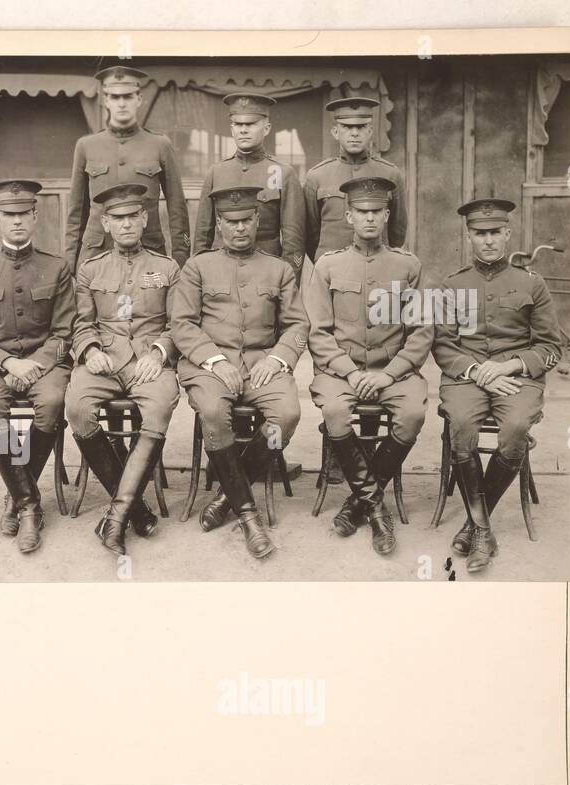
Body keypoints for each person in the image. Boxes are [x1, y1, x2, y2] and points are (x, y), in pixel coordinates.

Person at [170, 185, 309, 559]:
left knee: (288, 416)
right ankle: (249, 517)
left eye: (247, 220)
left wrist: (277, 359)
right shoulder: (197, 267)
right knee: (214, 413)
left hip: (264, 364)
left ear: (258, 220)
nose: (239, 228)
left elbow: (298, 325)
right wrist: (215, 361)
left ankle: (226, 495)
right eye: (231, 222)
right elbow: (181, 324)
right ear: (218, 224)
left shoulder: (278, 268)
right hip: (210, 365)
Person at [432, 198, 564, 572]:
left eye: (495, 233)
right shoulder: (452, 284)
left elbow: (552, 347)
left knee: (516, 428)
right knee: (460, 425)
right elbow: (443, 344)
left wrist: (508, 367)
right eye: (480, 233)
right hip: (466, 378)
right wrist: (476, 371)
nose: (488, 240)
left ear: (507, 234)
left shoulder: (531, 284)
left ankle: (474, 523)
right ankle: (484, 533)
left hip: (517, 378)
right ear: (469, 236)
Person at [305, 176, 429, 556]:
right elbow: (318, 332)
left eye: (377, 211)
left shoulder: (408, 265)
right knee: (336, 412)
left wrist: (389, 374)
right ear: (349, 216)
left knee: (411, 415)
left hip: (394, 370)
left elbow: (423, 331)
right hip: (341, 372)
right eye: (362, 212)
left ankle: (356, 502)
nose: (370, 219)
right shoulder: (328, 266)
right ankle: (376, 509)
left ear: (388, 214)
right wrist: (351, 372)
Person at [0, 179, 73, 553]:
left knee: (52, 403)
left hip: (43, 364)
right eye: (9, 214)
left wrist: (34, 365)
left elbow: (64, 331)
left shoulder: (56, 268)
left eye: (24, 213)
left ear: (35, 216)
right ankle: (28, 505)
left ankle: (17, 497)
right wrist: (6, 362)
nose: (17, 221)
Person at [65, 182, 181, 557]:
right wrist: (90, 349)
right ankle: (136, 510)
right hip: (105, 361)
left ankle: (115, 519)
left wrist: (161, 352)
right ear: (105, 223)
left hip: (149, 362)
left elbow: (180, 324)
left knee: (160, 407)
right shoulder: (90, 269)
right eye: (118, 218)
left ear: (146, 219)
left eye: (134, 216)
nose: (127, 224)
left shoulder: (167, 268)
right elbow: (81, 323)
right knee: (78, 410)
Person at [62, 65, 191, 271]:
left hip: (149, 252)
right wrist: (70, 263)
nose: (121, 103)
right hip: (97, 253)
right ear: (106, 101)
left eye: (128, 96)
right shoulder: (86, 146)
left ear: (139, 99)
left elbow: (178, 210)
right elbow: (76, 213)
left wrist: (181, 259)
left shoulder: (159, 145)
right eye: (114, 97)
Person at [192, 93, 304, 274]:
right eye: (238, 124)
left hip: (267, 272)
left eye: (251, 124)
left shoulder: (284, 173)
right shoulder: (216, 172)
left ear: (266, 128)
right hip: (222, 271)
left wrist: (288, 283)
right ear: (231, 128)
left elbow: (293, 240)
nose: (243, 130)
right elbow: (202, 236)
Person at [303, 96, 408, 262]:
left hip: (378, 266)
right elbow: (310, 235)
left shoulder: (390, 174)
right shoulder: (317, 176)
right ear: (335, 132)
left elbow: (397, 232)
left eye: (361, 127)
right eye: (347, 127)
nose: (354, 133)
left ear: (370, 131)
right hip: (332, 271)